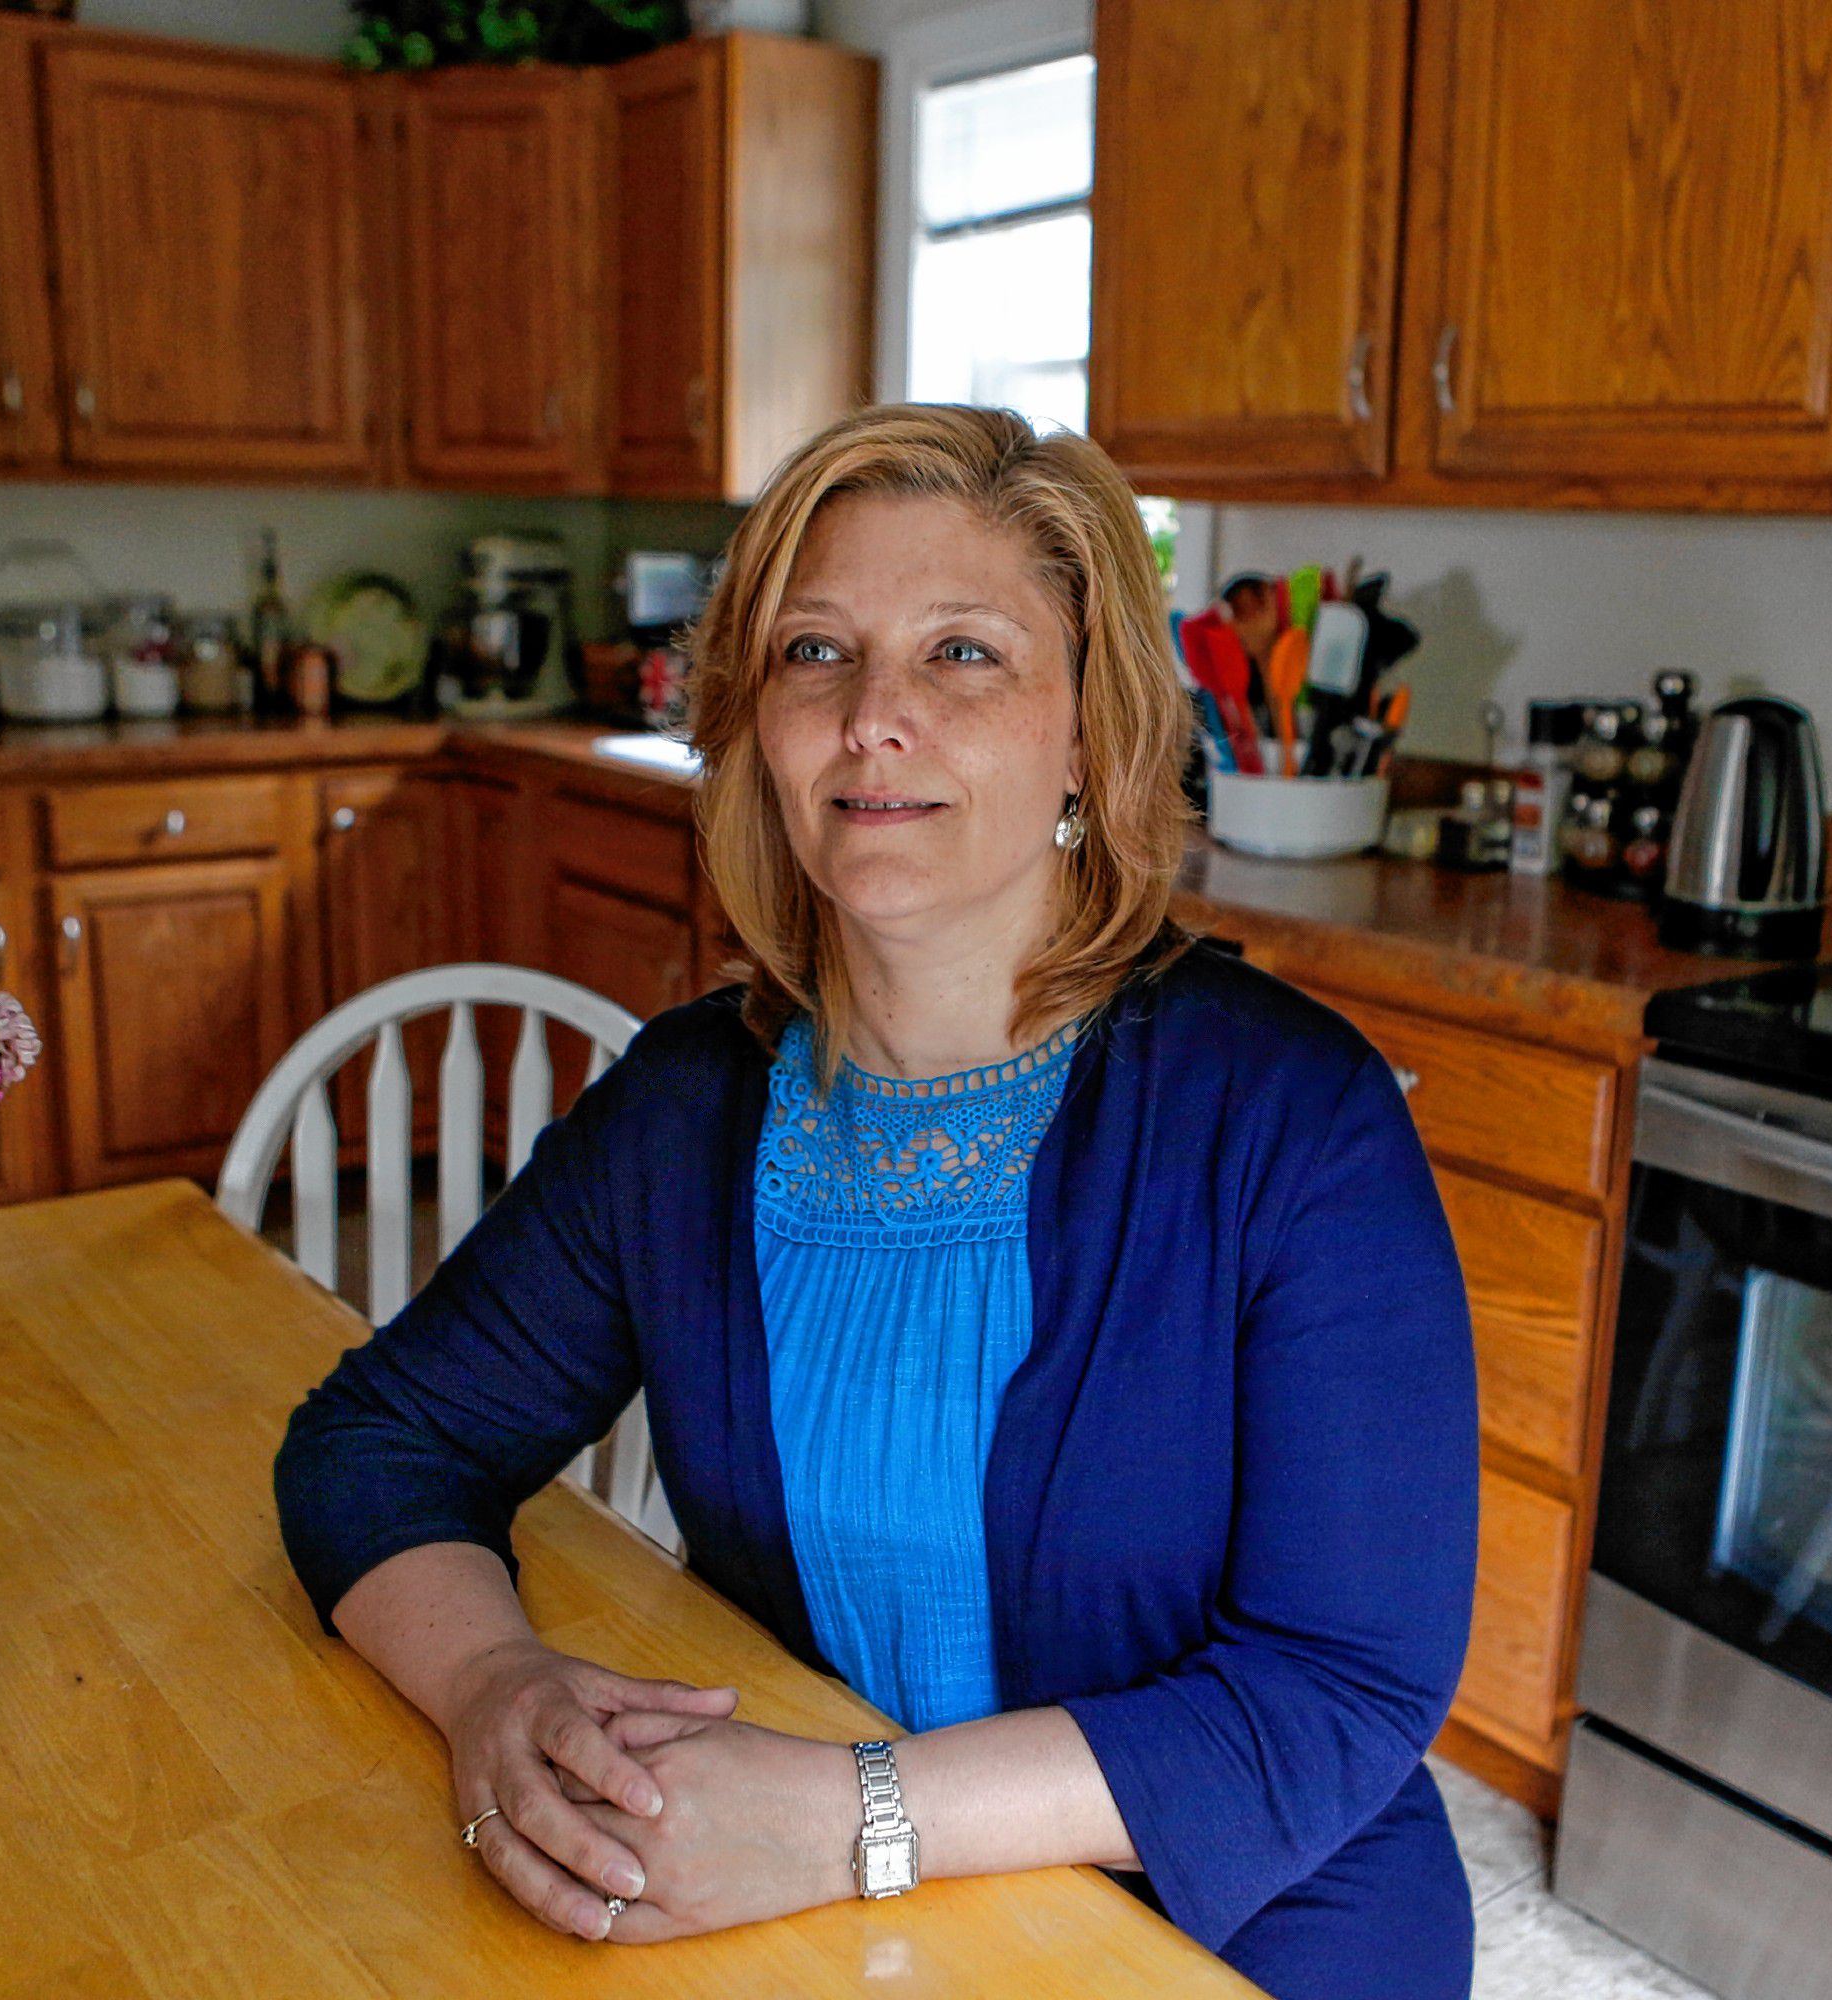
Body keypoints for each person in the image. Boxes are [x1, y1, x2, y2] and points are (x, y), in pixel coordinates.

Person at [273, 404, 1480, 2000]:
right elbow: (380, 1444)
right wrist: (495, 1681)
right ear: (753, 728)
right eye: (814, 653)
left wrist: (859, 1820)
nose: (873, 719)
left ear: (1090, 738)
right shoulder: (689, 1108)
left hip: (1240, 1921)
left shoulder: (1288, 1119)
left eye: (966, 654)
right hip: (832, 1917)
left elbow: (1337, 1690)